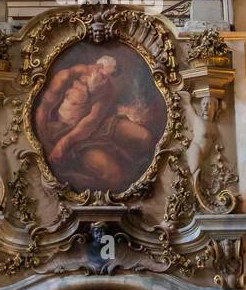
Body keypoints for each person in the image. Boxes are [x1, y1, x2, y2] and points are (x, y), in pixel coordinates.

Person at [34, 55, 157, 191]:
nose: (106, 82)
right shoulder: (67, 77)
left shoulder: (106, 88)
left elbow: (91, 121)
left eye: (109, 78)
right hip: (69, 133)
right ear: (97, 68)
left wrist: (64, 142)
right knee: (114, 174)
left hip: (97, 126)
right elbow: (42, 110)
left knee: (145, 137)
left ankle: (146, 171)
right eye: (104, 76)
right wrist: (47, 145)